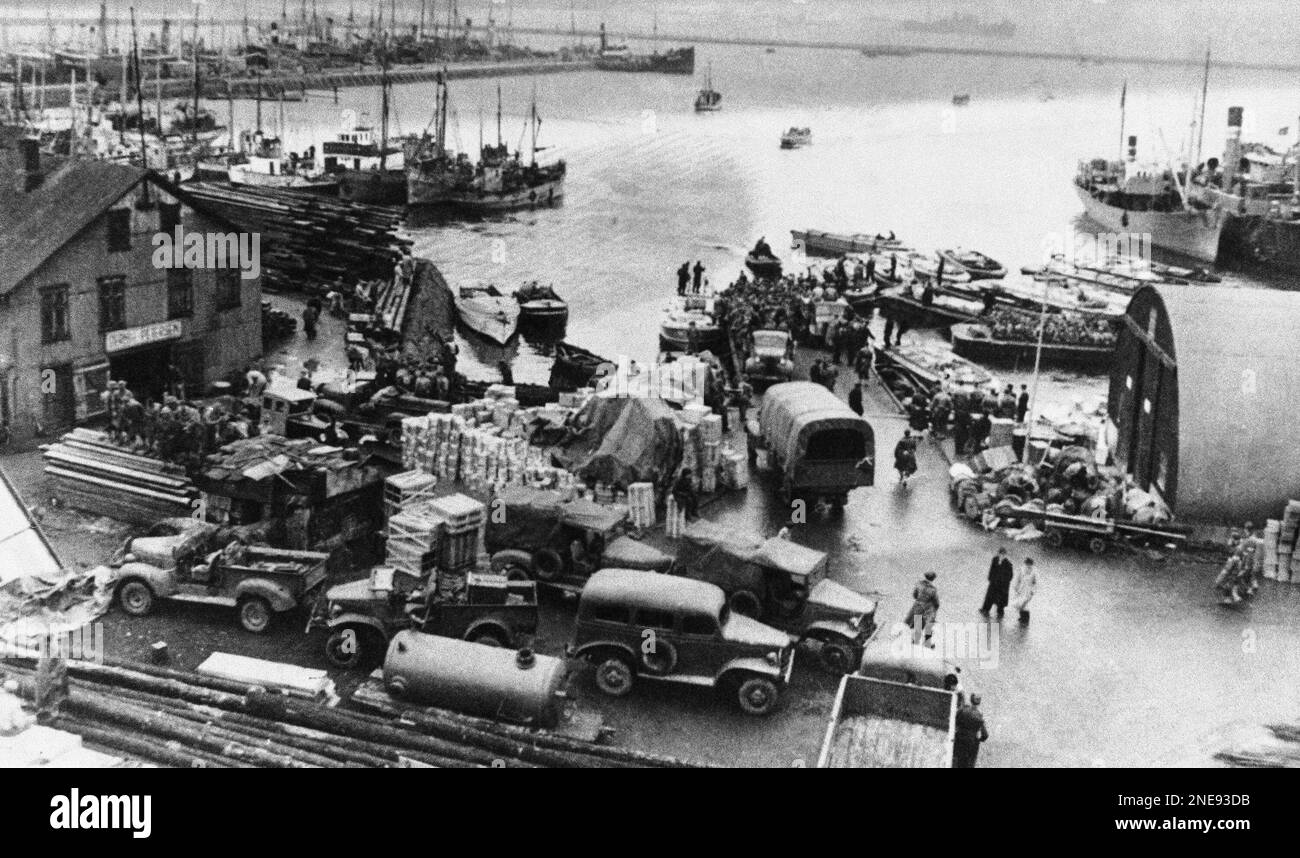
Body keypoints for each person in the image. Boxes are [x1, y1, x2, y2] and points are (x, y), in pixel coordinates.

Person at [953, 694, 989, 768]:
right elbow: (985, 735)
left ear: (970, 699)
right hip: (972, 743)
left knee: (956, 760)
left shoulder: (963, 710)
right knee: (968, 763)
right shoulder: (979, 716)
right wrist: (979, 740)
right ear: (979, 702)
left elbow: (955, 720)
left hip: (959, 738)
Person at [904, 571, 940, 645]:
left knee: (916, 622)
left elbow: (914, 595)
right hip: (927, 609)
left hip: (917, 606)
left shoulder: (919, 584)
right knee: (929, 623)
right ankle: (927, 642)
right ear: (933, 579)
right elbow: (936, 602)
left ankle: (914, 640)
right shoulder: (933, 589)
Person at [980, 548, 1014, 618]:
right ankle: (985, 609)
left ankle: (1000, 612)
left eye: (1003, 554)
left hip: (1003, 585)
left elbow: (1010, 576)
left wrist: (1004, 581)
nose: (1001, 555)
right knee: (990, 596)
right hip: (994, 582)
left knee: (1001, 599)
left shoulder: (1008, 563)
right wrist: (990, 578)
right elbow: (991, 569)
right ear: (998, 553)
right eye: (1000, 554)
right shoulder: (995, 559)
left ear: (1005, 555)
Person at [1011, 557, 1037, 624]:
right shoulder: (1021, 569)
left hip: (1028, 590)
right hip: (1021, 589)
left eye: (1030, 565)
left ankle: (1025, 618)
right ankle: (1022, 617)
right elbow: (1017, 578)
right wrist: (1016, 587)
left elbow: (1035, 582)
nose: (1029, 566)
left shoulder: (1034, 572)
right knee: (1020, 602)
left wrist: (1033, 590)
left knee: (1024, 603)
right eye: (1027, 564)